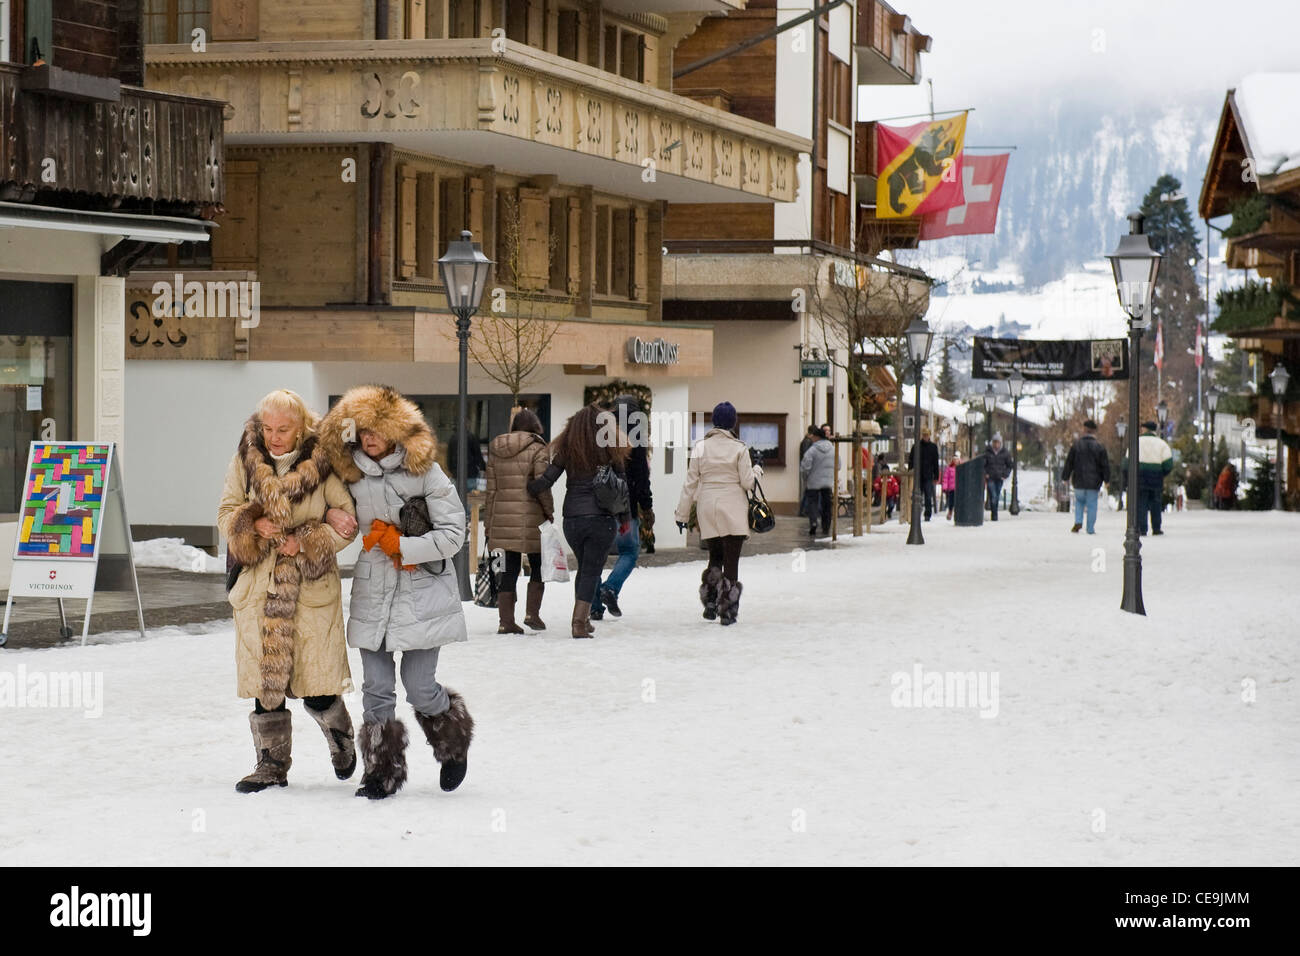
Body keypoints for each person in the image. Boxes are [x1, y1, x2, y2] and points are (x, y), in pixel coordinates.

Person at [318, 385, 474, 799]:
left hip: (423, 592)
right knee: (376, 687)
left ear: (395, 430)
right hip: (374, 589)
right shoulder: (349, 475)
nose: (368, 439)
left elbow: (455, 534)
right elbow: (328, 508)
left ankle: (452, 744)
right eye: (362, 431)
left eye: (376, 430)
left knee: (420, 685)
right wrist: (332, 513)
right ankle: (381, 772)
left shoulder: (425, 471)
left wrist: (402, 545)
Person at [217, 389, 358, 794]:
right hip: (259, 585)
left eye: (283, 429)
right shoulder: (246, 460)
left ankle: (339, 733)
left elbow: (346, 521)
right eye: (267, 428)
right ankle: (271, 763)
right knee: (267, 683)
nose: (274, 437)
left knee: (316, 686)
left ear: (301, 428)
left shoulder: (322, 463)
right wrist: (252, 524)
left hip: (308, 588)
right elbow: (226, 512)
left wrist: (309, 539)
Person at [528, 404, 630, 639]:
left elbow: (547, 480)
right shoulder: (610, 449)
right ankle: (578, 623)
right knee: (592, 570)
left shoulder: (568, 449)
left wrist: (525, 488)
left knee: (585, 568)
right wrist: (625, 519)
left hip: (572, 520)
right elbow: (622, 487)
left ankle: (583, 618)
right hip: (600, 519)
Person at [674, 401, 762, 626]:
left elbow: (690, 483)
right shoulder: (739, 448)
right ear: (733, 422)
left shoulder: (700, 447)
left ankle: (711, 602)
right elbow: (746, 482)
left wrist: (682, 515)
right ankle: (728, 610)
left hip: (708, 508)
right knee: (731, 560)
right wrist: (757, 471)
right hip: (732, 507)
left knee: (715, 556)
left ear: (714, 422)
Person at [484, 408, 553, 634]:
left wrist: (489, 522)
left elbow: (491, 491)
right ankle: (532, 614)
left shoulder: (495, 449)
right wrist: (549, 512)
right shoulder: (538, 448)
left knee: (510, 568)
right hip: (531, 516)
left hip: (502, 517)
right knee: (538, 565)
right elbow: (542, 486)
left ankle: (506, 621)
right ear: (535, 427)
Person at [592, 394, 653, 622]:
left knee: (595, 555)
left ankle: (595, 606)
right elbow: (642, 476)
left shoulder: (603, 431)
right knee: (629, 551)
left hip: (600, 505)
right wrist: (647, 507)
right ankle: (610, 588)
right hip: (626, 507)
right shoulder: (637, 434)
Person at [1122, 420, 1173, 536]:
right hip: (1156, 477)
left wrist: (1129, 477)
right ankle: (1156, 528)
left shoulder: (1135, 443)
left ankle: (1142, 528)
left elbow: (1126, 464)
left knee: (1141, 503)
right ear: (1155, 430)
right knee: (1156, 503)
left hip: (1139, 477)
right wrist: (1161, 473)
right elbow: (1169, 464)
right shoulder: (1162, 444)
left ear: (1144, 429)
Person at [1061, 419, 1110, 535]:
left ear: (1084, 430)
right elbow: (1105, 465)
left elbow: (1069, 463)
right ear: (1094, 431)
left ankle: (1078, 521)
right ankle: (1090, 528)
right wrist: (1106, 480)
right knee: (1092, 504)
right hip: (1094, 482)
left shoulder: (1076, 446)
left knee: (1079, 502)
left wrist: (1065, 477)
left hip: (1078, 480)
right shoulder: (1100, 447)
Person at [800, 425, 834, 535]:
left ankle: (813, 522)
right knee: (826, 504)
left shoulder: (812, 450)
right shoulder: (832, 449)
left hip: (813, 481)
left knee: (813, 503)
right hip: (828, 482)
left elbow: (805, 466)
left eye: (813, 436)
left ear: (817, 437)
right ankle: (826, 525)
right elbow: (838, 464)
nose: (812, 438)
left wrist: (805, 477)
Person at [983, 432, 1014, 521]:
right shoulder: (987, 452)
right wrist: (986, 474)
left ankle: (994, 513)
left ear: (1000, 443)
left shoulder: (1005, 453)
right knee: (993, 495)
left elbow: (1009, 465)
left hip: (1000, 477)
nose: (996, 444)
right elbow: (983, 464)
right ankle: (994, 515)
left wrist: (1005, 475)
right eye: (995, 442)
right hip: (990, 477)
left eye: (998, 442)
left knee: (996, 495)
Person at [797, 425, 821, 520]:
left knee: (808, 491)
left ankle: (804, 510)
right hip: (809, 471)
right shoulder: (807, 442)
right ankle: (804, 510)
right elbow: (807, 457)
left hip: (809, 471)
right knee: (808, 492)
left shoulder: (806, 441)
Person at [918, 429, 940, 521]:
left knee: (928, 496)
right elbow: (911, 460)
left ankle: (927, 515)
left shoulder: (933, 447)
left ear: (929, 436)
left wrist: (936, 475)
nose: (925, 437)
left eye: (927, 435)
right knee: (918, 496)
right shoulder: (917, 446)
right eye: (924, 435)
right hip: (918, 475)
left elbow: (935, 462)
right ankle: (917, 513)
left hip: (928, 475)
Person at [942, 452, 960, 519]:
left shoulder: (961, 468)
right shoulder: (949, 468)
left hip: (958, 488)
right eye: (954, 460)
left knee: (958, 502)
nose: (956, 461)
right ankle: (950, 511)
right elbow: (945, 478)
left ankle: (957, 512)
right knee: (951, 501)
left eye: (957, 460)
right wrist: (945, 487)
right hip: (951, 488)